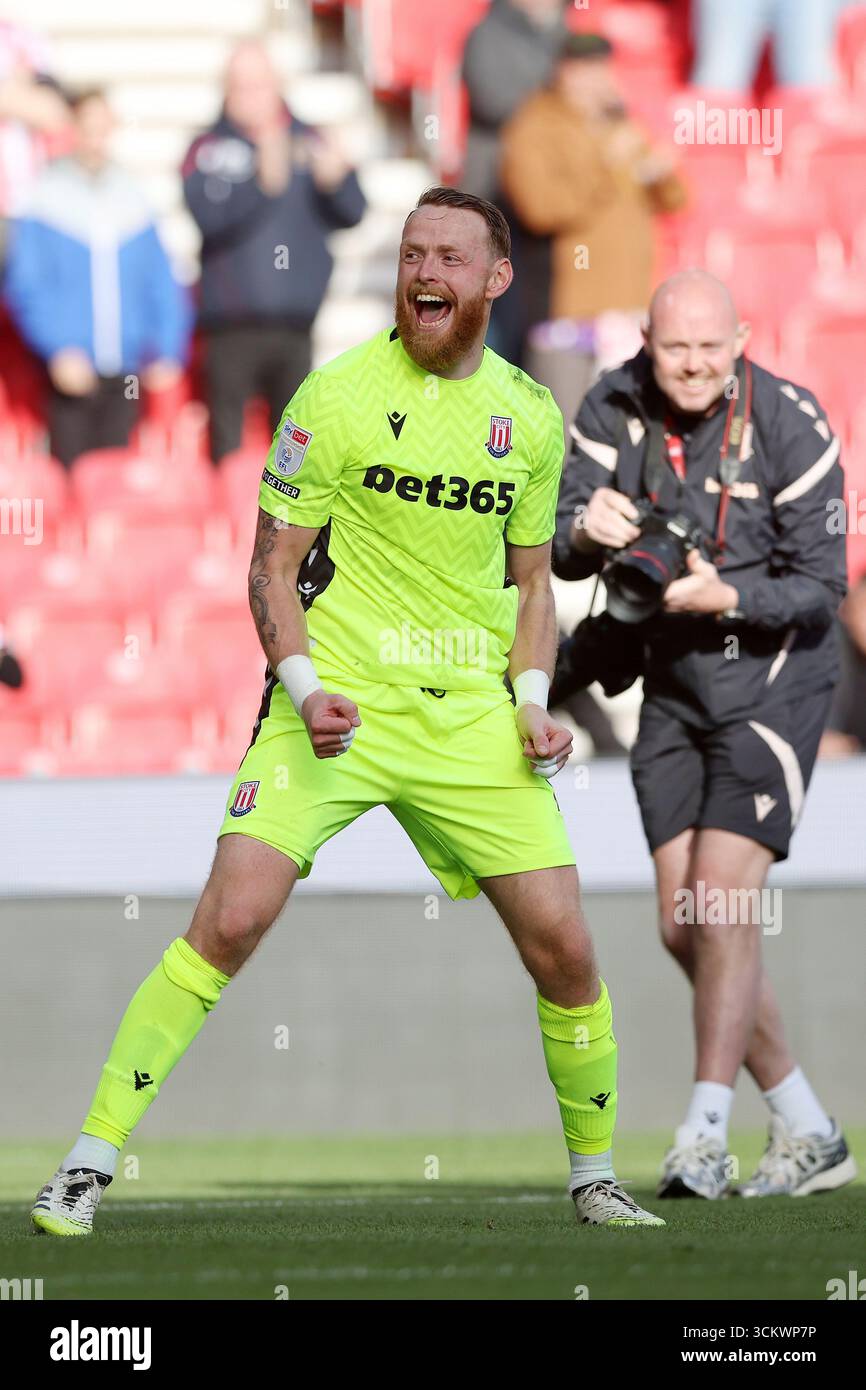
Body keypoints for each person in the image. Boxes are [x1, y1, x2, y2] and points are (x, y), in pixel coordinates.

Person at [31, 186, 665, 1237]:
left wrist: (532, 701)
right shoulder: (331, 397)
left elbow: (534, 587)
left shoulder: (530, 416)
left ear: (494, 280)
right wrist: (303, 687)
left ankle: (594, 1177)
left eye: (449, 258)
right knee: (228, 917)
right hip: (333, 704)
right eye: (413, 252)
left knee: (565, 950)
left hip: (470, 712)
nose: (424, 271)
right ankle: (87, 1165)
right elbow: (269, 569)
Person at [553, 268, 856, 1200]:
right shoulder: (610, 402)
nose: (689, 366)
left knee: (722, 904)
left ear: (742, 339)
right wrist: (587, 528)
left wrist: (729, 593)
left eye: (708, 349)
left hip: (776, 680)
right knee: (683, 926)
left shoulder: (793, 423)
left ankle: (704, 1135)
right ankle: (810, 1129)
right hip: (670, 683)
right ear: (646, 338)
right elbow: (556, 545)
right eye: (672, 347)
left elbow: (823, 586)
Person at [182, 39, 366, 464]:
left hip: (295, 328)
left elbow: (353, 212)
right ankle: (227, 525)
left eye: (258, 85)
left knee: (293, 453)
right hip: (230, 330)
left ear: (278, 85)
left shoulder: (312, 140)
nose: (250, 96)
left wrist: (337, 182)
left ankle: (287, 531)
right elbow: (206, 215)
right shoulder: (206, 148)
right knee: (226, 448)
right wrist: (259, 185)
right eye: (239, 86)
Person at [500, 30, 686, 433]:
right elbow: (540, 208)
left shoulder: (619, 120)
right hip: (565, 312)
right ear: (562, 72)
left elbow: (674, 198)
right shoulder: (534, 123)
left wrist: (659, 171)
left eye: (600, 68)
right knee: (558, 437)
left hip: (628, 307)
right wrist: (606, 164)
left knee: (627, 436)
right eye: (583, 69)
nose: (594, 78)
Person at [4, 88, 189, 468]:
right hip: (71, 371)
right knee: (72, 477)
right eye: (87, 127)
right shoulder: (44, 198)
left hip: (126, 372)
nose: (95, 138)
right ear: (73, 128)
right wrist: (57, 348)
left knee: (116, 481)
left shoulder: (133, 199)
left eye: (102, 128)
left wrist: (168, 348)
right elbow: (27, 286)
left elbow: (161, 279)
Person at [460, 0, 571, 365]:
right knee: (492, 306)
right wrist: (559, 109)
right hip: (494, 194)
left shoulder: (561, 32)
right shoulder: (488, 33)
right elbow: (493, 98)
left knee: (532, 312)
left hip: (544, 197)